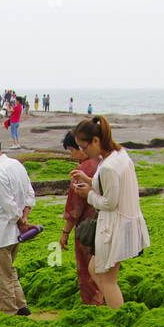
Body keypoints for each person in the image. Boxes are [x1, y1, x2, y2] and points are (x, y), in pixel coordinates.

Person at [68, 117, 149, 310]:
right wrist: (89, 180)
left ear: (96, 141)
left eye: (84, 147)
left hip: (115, 226)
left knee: (106, 279)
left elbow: (110, 202)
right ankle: (116, 313)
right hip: (125, 222)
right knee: (96, 270)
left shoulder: (109, 167)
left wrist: (88, 194)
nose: (83, 152)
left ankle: (118, 316)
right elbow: (110, 188)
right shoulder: (119, 154)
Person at [0, 133, 36, 315]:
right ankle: (22, 307)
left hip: (0, 234)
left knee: (1, 277)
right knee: (9, 272)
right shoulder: (16, 164)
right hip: (14, 233)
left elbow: (8, 204)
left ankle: (8, 314)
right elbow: (29, 195)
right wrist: (24, 218)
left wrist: (21, 220)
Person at [60, 131, 105, 306]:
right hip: (106, 225)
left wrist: (65, 232)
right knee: (104, 271)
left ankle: (94, 306)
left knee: (87, 271)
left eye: (72, 150)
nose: (73, 155)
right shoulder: (103, 164)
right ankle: (107, 302)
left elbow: (74, 207)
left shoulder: (82, 170)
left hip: (87, 229)